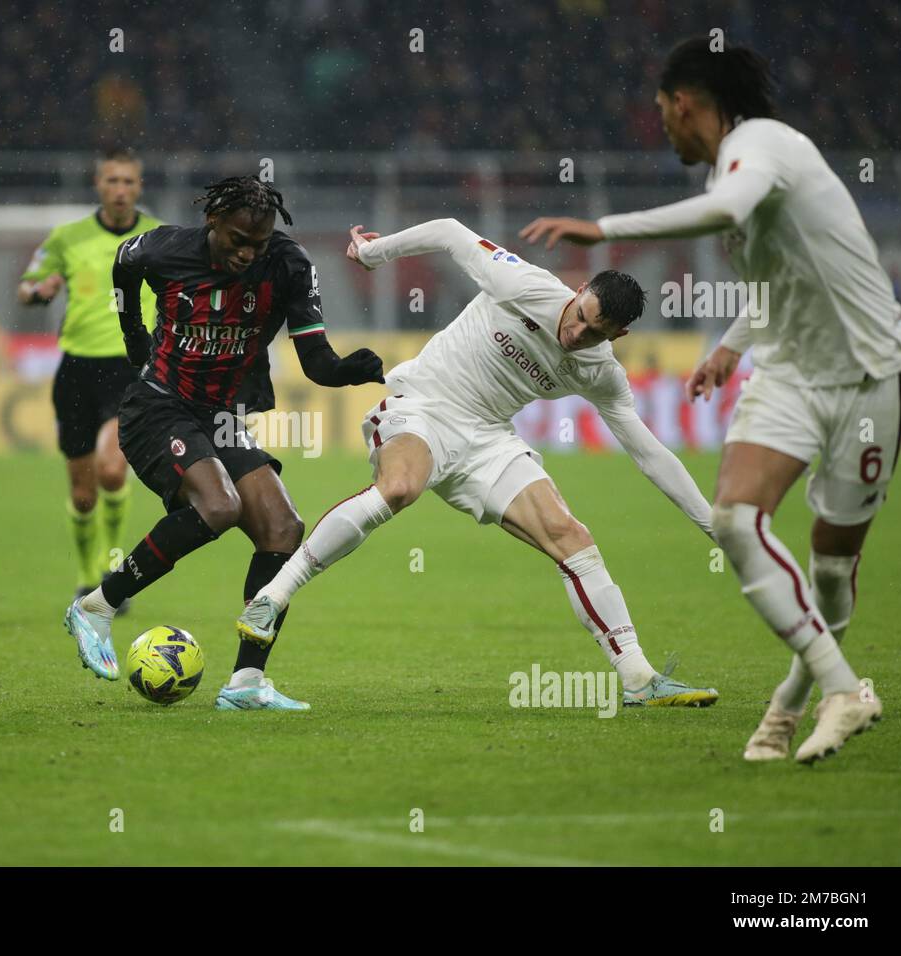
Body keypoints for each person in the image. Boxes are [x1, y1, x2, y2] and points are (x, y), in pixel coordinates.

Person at [520, 36, 901, 763]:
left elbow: (728, 206)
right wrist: (734, 343)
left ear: (684, 103)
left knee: (832, 566)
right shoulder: (735, 165)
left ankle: (787, 707)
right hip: (792, 372)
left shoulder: (760, 146)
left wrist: (602, 229)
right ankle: (844, 689)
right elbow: (777, 275)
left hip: (869, 372)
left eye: (662, 112)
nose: (661, 125)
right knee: (736, 519)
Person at [239, 217, 719, 708]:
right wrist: (372, 255)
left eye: (595, 332)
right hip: (423, 406)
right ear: (577, 291)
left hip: (488, 440)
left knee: (572, 539)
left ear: (620, 333)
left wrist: (714, 525)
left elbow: (650, 454)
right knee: (400, 487)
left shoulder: (602, 374)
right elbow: (450, 231)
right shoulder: (524, 284)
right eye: (579, 314)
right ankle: (271, 598)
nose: (575, 333)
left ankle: (638, 676)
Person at [64, 176, 385, 710]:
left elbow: (316, 358)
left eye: (257, 244)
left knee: (283, 526)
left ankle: (246, 683)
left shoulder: (288, 264)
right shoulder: (166, 247)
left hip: (219, 416)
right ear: (212, 222)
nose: (246, 252)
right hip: (157, 406)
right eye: (236, 239)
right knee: (218, 505)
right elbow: (123, 261)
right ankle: (97, 606)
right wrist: (131, 332)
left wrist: (349, 371)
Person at [18, 147, 162, 608]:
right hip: (77, 371)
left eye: (128, 182)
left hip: (131, 368)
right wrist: (39, 292)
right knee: (82, 495)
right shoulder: (67, 238)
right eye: (112, 181)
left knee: (112, 469)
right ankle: (86, 576)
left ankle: (113, 569)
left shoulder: (158, 236)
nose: (120, 190)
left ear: (139, 187)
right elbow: (27, 285)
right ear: (98, 185)